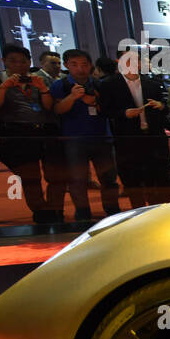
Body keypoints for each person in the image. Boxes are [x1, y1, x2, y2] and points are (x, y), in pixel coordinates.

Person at [0, 43, 62, 224]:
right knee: (31, 178)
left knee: (56, 175)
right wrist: (5, 87)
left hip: (45, 131)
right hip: (18, 134)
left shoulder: (39, 79)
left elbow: (48, 106)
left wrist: (42, 88)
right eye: (13, 61)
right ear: (4, 61)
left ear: (29, 62)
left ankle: (56, 211)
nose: (19, 65)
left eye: (23, 61)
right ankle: (42, 214)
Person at [99, 47, 170, 207]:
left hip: (154, 137)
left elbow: (166, 107)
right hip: (128, 139)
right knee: (132, 179)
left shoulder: (153, 83)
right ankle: (139, 212)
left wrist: (161, 106)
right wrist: (124, 113)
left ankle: (164, 211)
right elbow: (105, 110)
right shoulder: (109, 84)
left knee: (160, 177)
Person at [49, 49, 119, 221]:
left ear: (90, 65)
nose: (80, 69)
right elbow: (57, 110)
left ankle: (112, 210)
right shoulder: (60, 85)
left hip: (102, 137)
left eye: (84, 64)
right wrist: (72, 98)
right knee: (77, 180)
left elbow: (110, 111)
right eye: (74, 64)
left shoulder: (99, 84)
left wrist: (95, 101)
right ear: (66, 65)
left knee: (109, 178)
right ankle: (82, 212)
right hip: (74, 140)